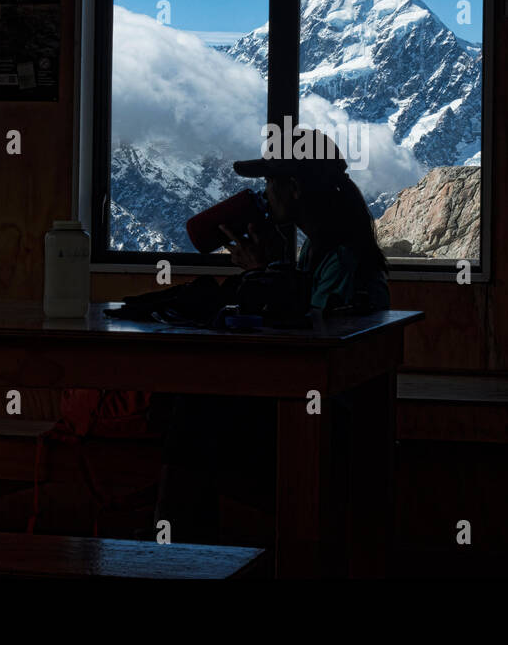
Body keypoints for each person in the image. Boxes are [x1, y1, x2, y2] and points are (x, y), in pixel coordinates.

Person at [149, 129, 390, 544]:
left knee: (193, 410)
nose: (264, 194)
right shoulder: (320, 249)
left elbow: (316, 344)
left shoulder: (343, 260)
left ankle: (178, 543)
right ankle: (188, 540)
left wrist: (259, 276)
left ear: (293, 188)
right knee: (181, 405)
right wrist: (266, 275)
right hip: (311, 410)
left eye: (269, 183)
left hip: (329, 426)